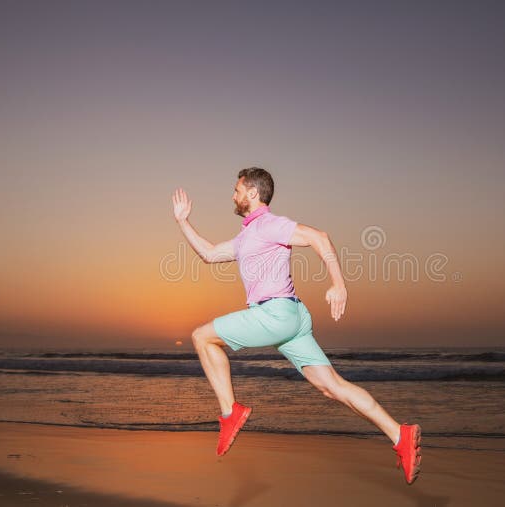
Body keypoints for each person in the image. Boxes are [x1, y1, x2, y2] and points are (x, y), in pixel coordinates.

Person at [171, 167, 421, 485]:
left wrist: (339, 284)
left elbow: (319, 238)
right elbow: (208, 254)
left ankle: (229, 412)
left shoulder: (270, 224)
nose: (232, 195)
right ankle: (400, 434)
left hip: (275, 314)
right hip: (292, 318)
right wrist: (182, 221)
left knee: (201, 337)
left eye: (236, 190)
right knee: (332, 387)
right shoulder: (247, 235)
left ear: (252, 193)